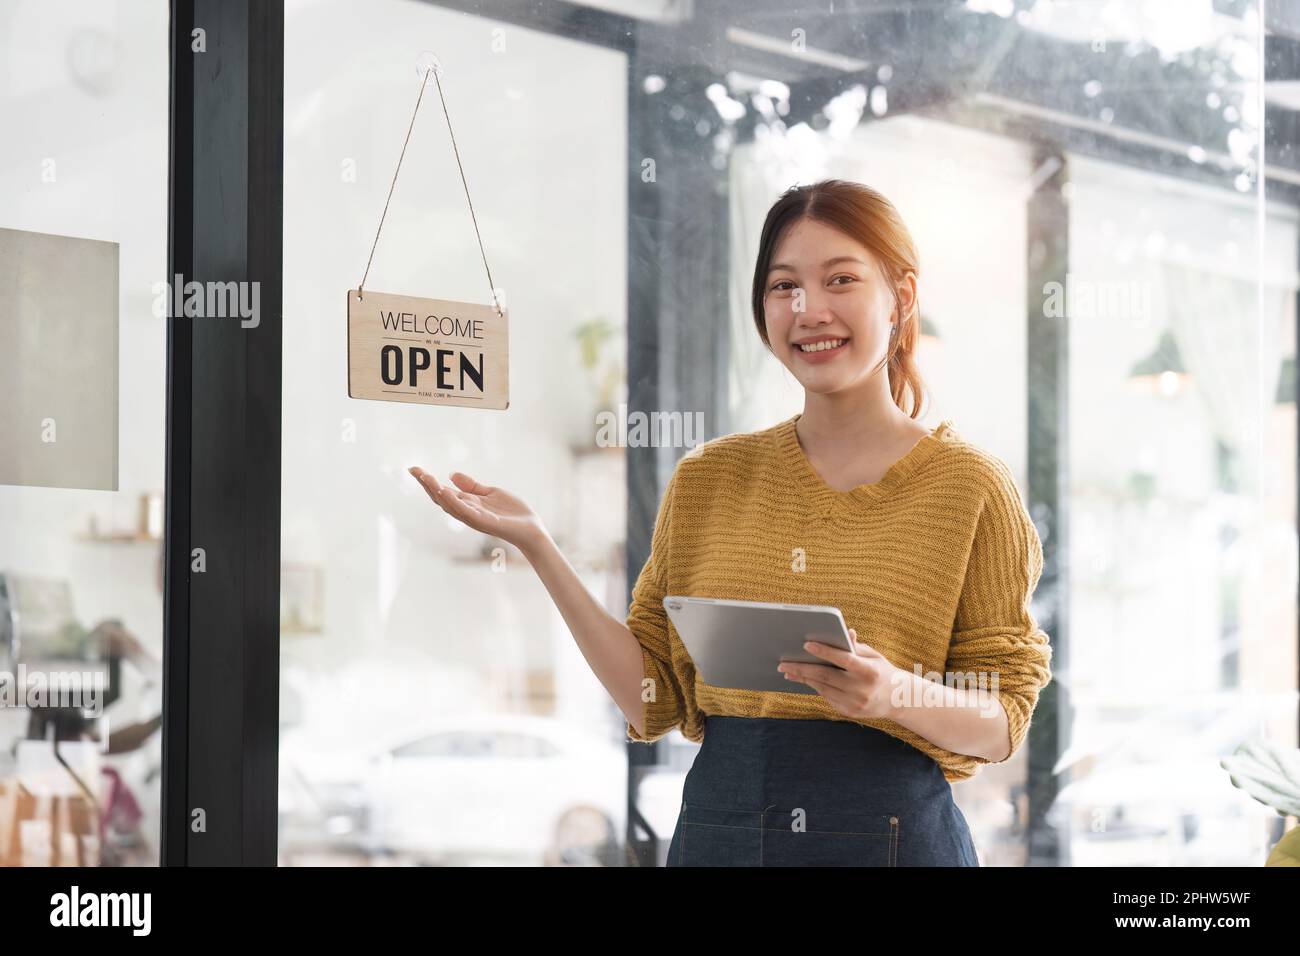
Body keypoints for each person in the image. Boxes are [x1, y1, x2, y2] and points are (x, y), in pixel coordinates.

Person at [409, 178, 1053, 867]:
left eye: (840, 280)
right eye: (784, 287)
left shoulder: (969, 486)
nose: (809, 310)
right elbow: (652, 696)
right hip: (720, 837)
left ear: (902, 297)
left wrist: (892, 691)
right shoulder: (709, 479)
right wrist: (538, 544)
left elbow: (1001, 721)